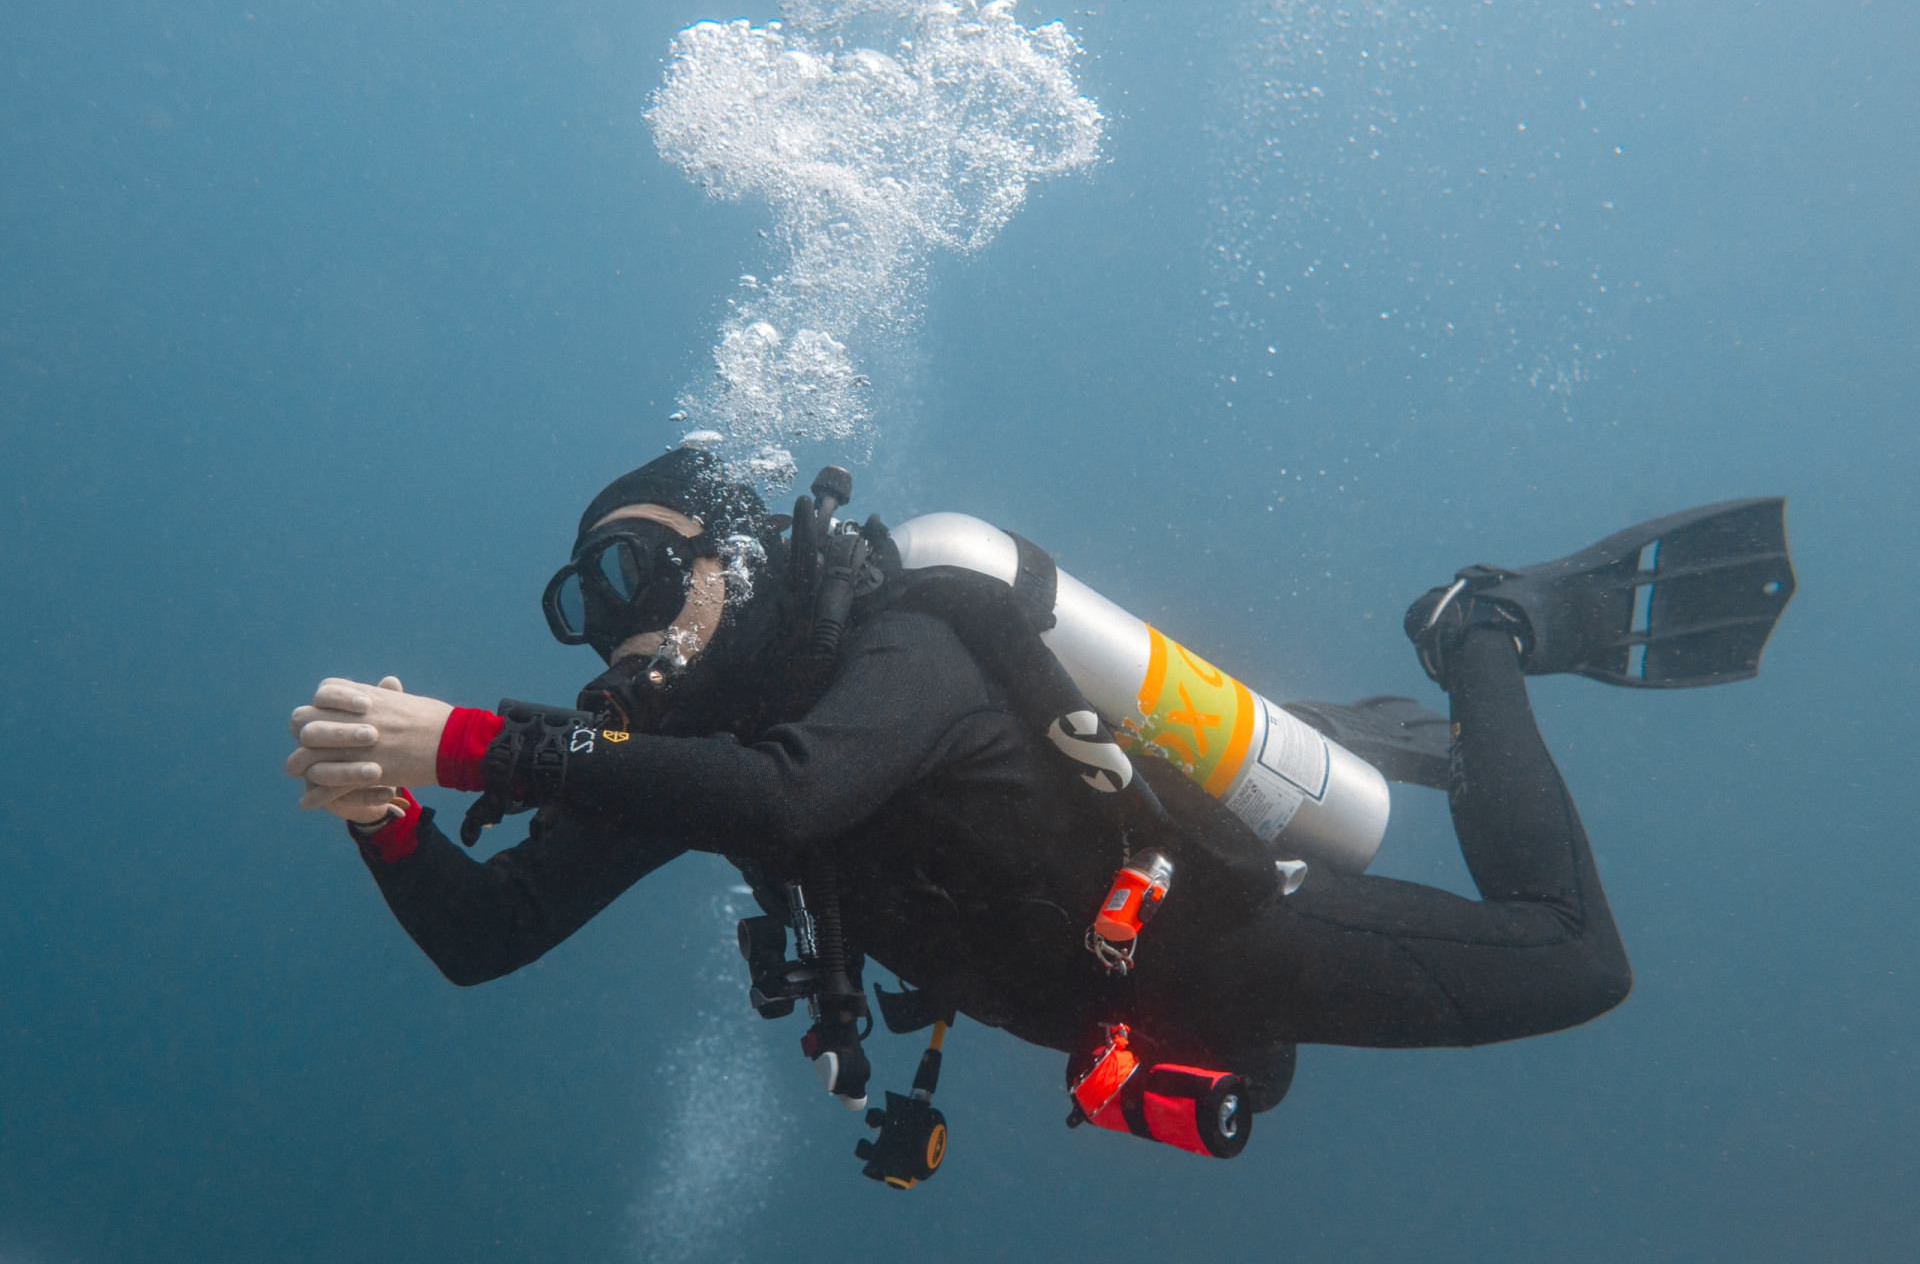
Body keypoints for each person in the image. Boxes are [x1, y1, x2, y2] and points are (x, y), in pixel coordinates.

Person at [287, 449, 1649, 1156]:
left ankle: (1483, 629)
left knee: (1574, 957)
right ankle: (1348, 721)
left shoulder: (913, 639)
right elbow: (493, 929)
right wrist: (379, 816)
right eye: (582, 612)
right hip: (1124, 1013)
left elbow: (794, 800)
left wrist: (471, 740)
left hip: (1218, 930)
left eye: (633, 580)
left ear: (732, 555)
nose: (613, 638)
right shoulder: (691, 752)